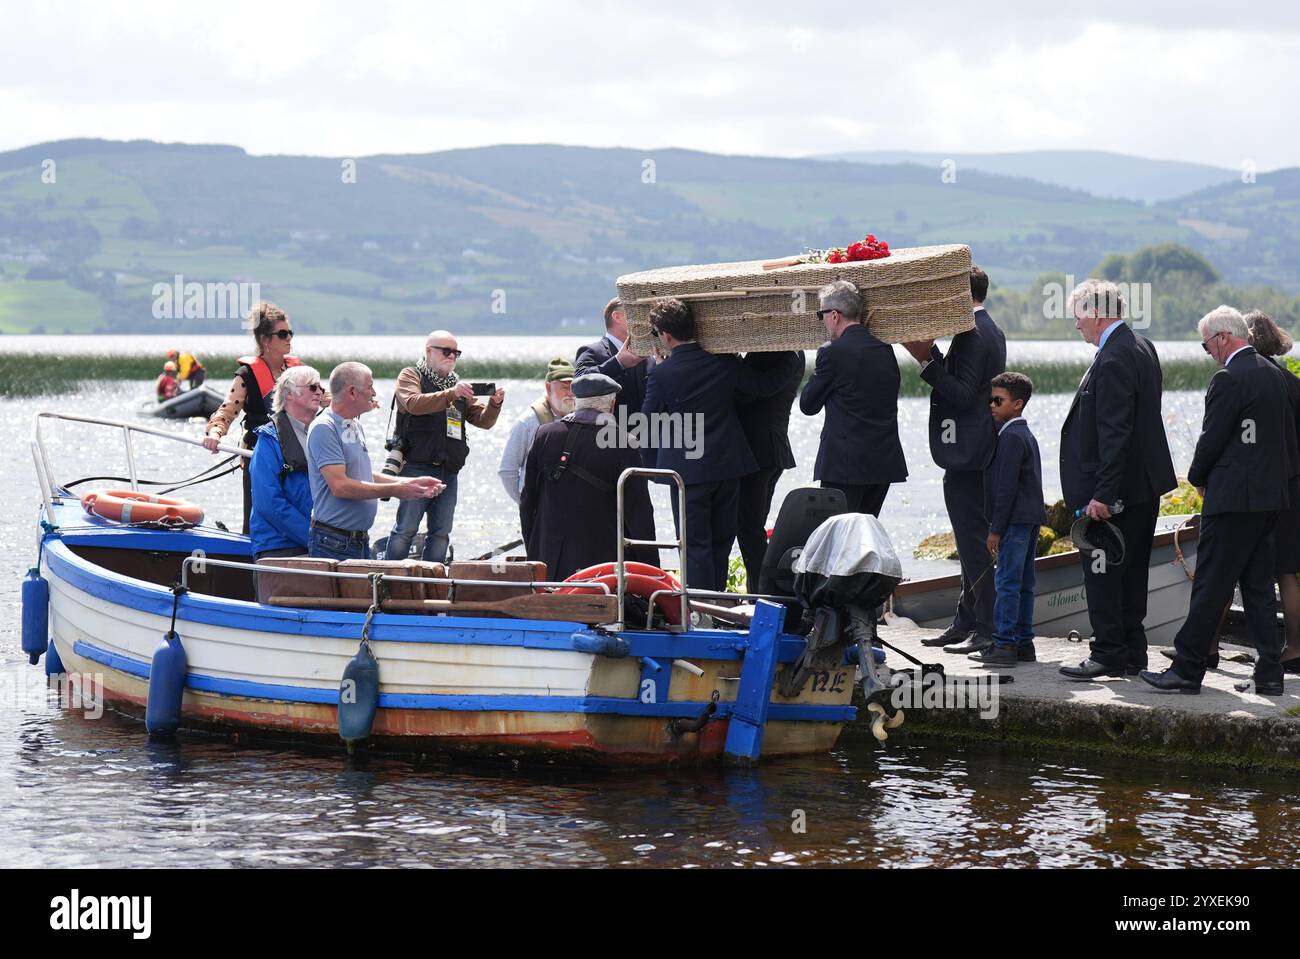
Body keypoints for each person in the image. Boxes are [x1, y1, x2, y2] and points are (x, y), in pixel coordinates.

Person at [1141, 307, 1299, 697]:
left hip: (1232, 501)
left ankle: (1186, 668)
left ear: (1224, 337)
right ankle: (1268, 674)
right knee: (1259, 586)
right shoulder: (1276, 377)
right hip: (1270, 499)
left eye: (1207, 344)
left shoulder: (1229, 378)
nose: (1208, 351)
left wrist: (1195, 479)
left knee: (1211, 584)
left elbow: (1211, 438)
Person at [1058, 280, 1177, 681]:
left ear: (1095, 312)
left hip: (1117, 491)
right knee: (1133, 570)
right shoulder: (1142, 346)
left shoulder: (1112, 358)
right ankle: (1132, 651)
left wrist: (1103, 494)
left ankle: (1108, 652)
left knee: (1104, 572)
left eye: (1078, 315)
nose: (1076, 325)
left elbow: (1116, 432)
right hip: (1144, 486)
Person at [641, 298, 786, 592]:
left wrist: (655, 465)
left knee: (694, 544)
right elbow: (764, 386)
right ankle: (718, 602)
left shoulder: (662, 373)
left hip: (685, 471)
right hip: (728, 463)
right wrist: (792, 357)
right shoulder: (723, 362)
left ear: (665, 335)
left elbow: (646, 422)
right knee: (722, 539)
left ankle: (698, 609)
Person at [904, 266, 1007, 653]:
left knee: (973, 543)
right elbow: (967, 379)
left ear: (961, 296)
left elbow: (964, 395)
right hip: (977, 451)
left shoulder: (972, 334)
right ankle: (966, 619)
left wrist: (925, 363)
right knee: (969, 544)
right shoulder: (984, 330)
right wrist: (930, 353)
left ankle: (985, 628)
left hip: (971, 455)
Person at [520, 373, 657, 581]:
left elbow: (528, 502)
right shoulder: (623, 442)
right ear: (612, 405)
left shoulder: (544, 434)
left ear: (577, 402)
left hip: (547, 563)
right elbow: (639, 515)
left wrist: (535, 550)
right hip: (599, 571)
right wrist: (652, 571)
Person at [383, 331, 505, 563]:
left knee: (441, 534)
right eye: (446, 351)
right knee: (405, 529)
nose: (452, 356)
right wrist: (452, 393)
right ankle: (389, 579)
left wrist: (495, 405)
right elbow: (412, 403)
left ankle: (433, 584)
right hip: (416, 468)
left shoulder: (457, 386)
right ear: (428, 351)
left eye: (456, 352)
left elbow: (483, 420)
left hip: (448, 471)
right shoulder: (411, 375)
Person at [307, 362, 444, 562]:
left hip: (358, 540)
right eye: (369, 386)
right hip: (333, 543)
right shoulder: (324, 427)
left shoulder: (353, 424)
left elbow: (363, 475)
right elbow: (341, 486)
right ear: (352, 392)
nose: (373, 392)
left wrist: (408, 483)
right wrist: (396, 491)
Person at [204, 302, 319, 534]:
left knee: (302, 510)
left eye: (290, 333)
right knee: (259, 515)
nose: (289, 339)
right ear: (266, 341)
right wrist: (215, 433)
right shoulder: (247, 374)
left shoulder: (298, 371)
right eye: (283, 334)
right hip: (261, 454)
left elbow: (322, 397)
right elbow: (227, 411)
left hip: (298, 454)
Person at [799, 279, 908, 517]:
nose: (823, 321)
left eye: (821, 314)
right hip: (883, 461)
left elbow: (808, 405)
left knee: (838, 538)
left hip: (845, 465)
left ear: (835, 315)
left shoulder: (831, 352)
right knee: (865, 536)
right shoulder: (885, 350)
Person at [967, 373, 1046, 667]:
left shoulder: (1011, 437)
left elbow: (1006, 488)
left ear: (1017, 404)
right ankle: (1024, 643)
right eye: (991, 399)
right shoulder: (1024, 434)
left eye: (998, 400)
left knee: (1007, 582)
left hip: (1013, 521)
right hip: (1030, 517)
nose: (991, 405)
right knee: (1024, 582)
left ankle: (1003, 645)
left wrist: (995, 529)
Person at [1245, 309, 1300, 674]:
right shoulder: (1292, 381)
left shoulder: (1251, 379)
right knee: (1288, 571)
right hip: (1295, 484)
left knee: (1237, 566)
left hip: (1264, 486)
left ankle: (1207, 646)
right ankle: (1295, 647)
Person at [734, 350, 805, 593]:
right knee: (754, 525)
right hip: (773, 450)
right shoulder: (797, 353)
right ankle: (758, 589)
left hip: (757, 453)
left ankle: (762, 593)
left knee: (749, 529)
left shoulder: (773, 352)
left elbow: (747, 392)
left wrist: (730, 362)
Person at [249, 366, 322, 601]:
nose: (319, 392)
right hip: (280, 546)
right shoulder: (269, 440)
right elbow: (268, 502)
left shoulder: (323, 434)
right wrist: (312, 538)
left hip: (320, 544)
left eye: (320, 387)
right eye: (312, 387)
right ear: (289, 394)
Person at [498, 357, 575, 505]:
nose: (571, 394)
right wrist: (526, 504)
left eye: (573, 387)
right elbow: (507, 470)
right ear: (548, 388)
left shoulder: (581, 418)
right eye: (565, 388)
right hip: (538, 508)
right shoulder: (527, 423)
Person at [575, 296, 651, 415]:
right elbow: (579, 382)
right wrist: (618, 362)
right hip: (607, 430)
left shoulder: (647, 357)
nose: (644, 321)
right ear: (617, 317)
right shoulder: (592, 351)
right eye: (637, 314)